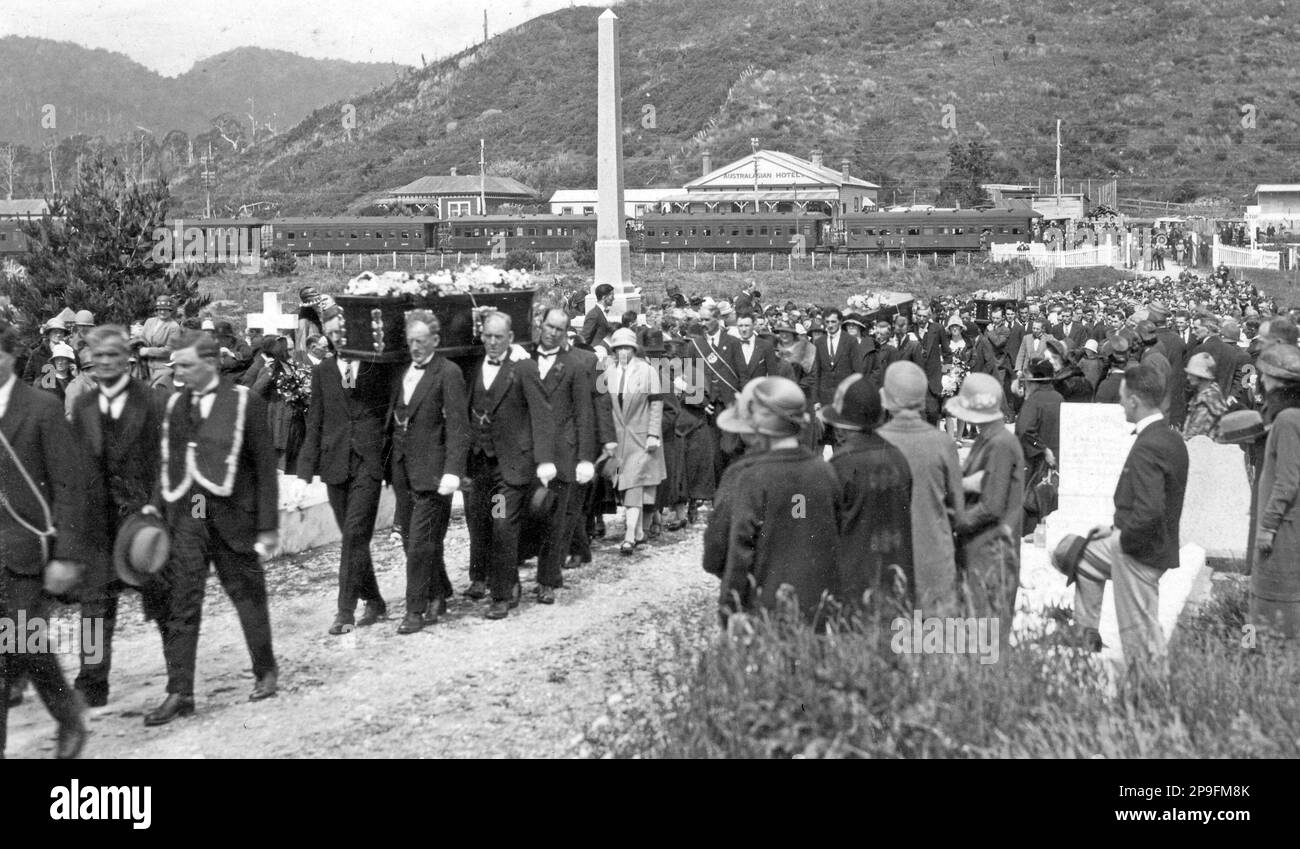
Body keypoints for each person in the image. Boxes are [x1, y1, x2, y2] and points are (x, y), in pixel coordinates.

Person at [146, 331, 280, 725]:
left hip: (233, 516)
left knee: (248, 597)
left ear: (209, 363)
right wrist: (155, 507)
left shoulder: (245, 402)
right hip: (191, 513)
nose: (178, 373)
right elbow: (167, 463)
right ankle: (179, 692)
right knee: (181, 602)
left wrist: (268, 526)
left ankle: (265, 670)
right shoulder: (174, 406)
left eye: (185, 365)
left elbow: (265, 471)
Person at [0, 319, 94, 759]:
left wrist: (66, 555)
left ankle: (68, 716)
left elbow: (70, 486)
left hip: (30, 549)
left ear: (9, 356)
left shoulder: (40, 407)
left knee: (23, 638)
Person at [1066, 363, 1188, 670]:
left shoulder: (1150, 445)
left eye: (1122, 398)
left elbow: (1148, 511)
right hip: (1152, 543)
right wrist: (1112, 528)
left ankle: (1148, 697)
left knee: (1139, 634)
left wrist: (1123, 540)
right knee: (1076, 553)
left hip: (1140, 551)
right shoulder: (1169, 438)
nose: (1119, 404)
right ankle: (1085, 634)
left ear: (1134, 401)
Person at [67, 325, 163, 709]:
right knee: (94, 607)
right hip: (97, 524)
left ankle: (179, 680)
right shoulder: (83, 407)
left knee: (163, 601)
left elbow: (164, 464)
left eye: (112, 355)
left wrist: (156, 509)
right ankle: (92, 682)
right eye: (97, 356)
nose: (104, 362)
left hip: (142, 521)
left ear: (127, 358)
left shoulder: (152, 402)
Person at [705, 376, 839, 627]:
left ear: (756, 427)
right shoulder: (825, 472)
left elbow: (721, 553)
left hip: (762, 612)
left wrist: (731, 607)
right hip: (817, 612)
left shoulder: (747, 477)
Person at [297, 325, 397, 635]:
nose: (340, 338)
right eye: (335, 334)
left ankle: (345, 611)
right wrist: (304, 470)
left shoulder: (374, 367)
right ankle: (376, 600)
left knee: (355, 534)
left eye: (346, 331)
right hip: (335, 462)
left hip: (367, 462)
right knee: (353, 538)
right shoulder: (324, 371)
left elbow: (388, 412)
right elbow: (315, 419)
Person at [464, 312, 555, 620]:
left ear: (510, 339)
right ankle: (508, 580)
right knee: (484, 524)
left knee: (502, 523)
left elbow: (543, 415)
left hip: (510, 469)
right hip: (481, 466)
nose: (492, 342)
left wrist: (544, 460)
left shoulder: (524, 369)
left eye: (498, 337)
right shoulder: (474, 366)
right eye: (487, 336)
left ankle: (502, 596)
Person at [819, 374, 913, 611]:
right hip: (897, 583)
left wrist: (797, 503)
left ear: (842, 427)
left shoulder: (840, 465)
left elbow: (822, 523)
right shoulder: (898, 457)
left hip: (855, 589)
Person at [878, 361, 965, 616]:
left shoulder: (877, 442)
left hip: (888, 560)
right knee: (930, 645)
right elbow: (958, 512)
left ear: (888, 399)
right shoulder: (942, 444)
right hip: (934, 558)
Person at [948, 373, 1025, 632]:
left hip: (991, 553)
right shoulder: (988, 438)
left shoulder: (1000, 443)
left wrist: (956, 522)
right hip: (982, 551)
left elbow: (991, 506)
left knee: (985, 637)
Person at [530, 308, 596, 603]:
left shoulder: (575, 365)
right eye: (548, 326)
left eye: (559, 328)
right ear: (540, 325)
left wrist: (584, 457)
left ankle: (547, 579)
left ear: (565, 332)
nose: (552, 332)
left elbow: (584, 414)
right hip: (526, 452)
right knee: (507, 513)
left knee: (554, 520)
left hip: (562, 454)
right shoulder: (524, 359)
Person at [1251, 343, 1300, 639]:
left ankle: (1254, 656)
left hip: (1280, 532)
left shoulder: (1287, 420)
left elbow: (1288, 479)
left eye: (1265, 376)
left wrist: (1267, 526)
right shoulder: (1289, 417)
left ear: (1278, 382)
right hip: (1281, 528)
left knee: (1264, 604)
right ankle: (1252, 653)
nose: (1261, 382)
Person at [604, 327, 667, 555]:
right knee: (627, 487)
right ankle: (639, 531)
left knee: (633, 485)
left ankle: (629, 535)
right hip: (618, 439)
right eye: (618, 347)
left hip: (641, 438)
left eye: (627, 347)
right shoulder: (609, 372)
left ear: (634, 349)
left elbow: (656, 404)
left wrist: (653, 433)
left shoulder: (647, 371)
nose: (623, 352)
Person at [1017, 359, 1062, 536]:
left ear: (1035, 379)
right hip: (1057, 464)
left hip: (1035, 464)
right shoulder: (1059, 397)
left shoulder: (1034, 401)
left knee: (1031, 509)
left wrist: (1041, 448)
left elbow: (1023, 430)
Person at [134, 295, 183, 388]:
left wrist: (148, 351)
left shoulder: (174, 327)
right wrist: (139, 348)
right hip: (144, 363)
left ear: (170, 311)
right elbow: (142, 339)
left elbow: (169, 350)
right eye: (160, 309)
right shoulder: (149, 321)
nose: (162, 312)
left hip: (162, 365)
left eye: (165, 309)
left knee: (155, 390)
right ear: (156, 310)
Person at [1182, 352, 1230, 440]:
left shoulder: (1205, 403)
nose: (1188, 377)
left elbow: (1194, 437)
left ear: (1201, 376)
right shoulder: (1211, 394)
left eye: (1191, 374)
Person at [22, 317, 68, 385]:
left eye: (61, 332)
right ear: (48, 334)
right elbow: (28, 378)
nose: (58, 335)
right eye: (55, 332)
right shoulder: (37, 353)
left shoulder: (70, 352)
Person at [581, 283, 617, 351]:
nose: (614, 298)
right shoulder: (594, 314)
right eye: (611, 296)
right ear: (604, 297)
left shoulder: (601, 312)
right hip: (596, 352)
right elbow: (584, 337)